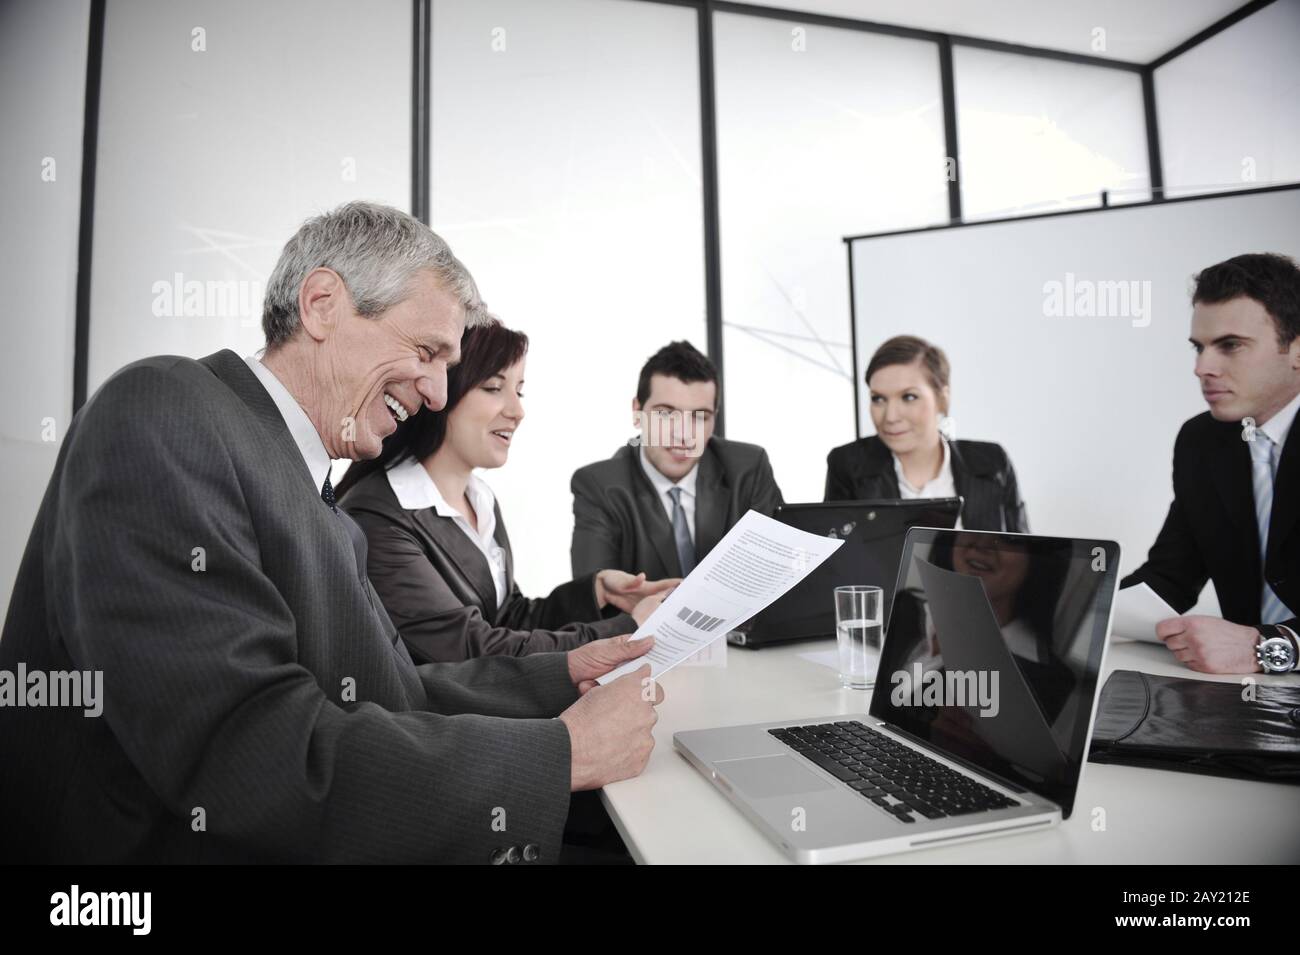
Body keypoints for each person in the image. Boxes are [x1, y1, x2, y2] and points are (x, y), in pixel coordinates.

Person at [0, 201, 663, 864]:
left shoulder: (313, 491)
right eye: (427, 352)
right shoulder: (163, 409)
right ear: (321, 303)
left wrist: (561, 675)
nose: (437, 392)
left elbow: (394, 690)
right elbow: (250, 750)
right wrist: (559, 757)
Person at [336, 320, 676, 663]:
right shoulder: (378, 519)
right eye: (494, 388)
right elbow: (474, 650)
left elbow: (508, 619)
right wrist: (626, 629)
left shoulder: (479, 498)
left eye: (520, 391)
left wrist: (598, 592)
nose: (517, 411)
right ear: (443, 390)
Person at [1122, 252, 1300, 675]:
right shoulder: (1203, 440)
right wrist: (1072, 612)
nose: (1202, 368)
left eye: (1231, 345)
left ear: (1295, 349)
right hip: (1245, 698)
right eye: (1199, 347)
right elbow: (1171, 576)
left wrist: (1270, 646)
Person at [570, 340, 784, 580]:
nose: (683, 435)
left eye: (700, 417)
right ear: (637, 412)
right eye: (665, 414)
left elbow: (780, 575)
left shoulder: (748, 468)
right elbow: (595, 604)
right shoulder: (600, 487)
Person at [824, 335, 1027, 532]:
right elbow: (837, 560)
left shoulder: (992, 462)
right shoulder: (847, 465)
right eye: (878, 399)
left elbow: (1026, 557)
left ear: (942, 398)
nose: (891, 416)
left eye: (909, 397)